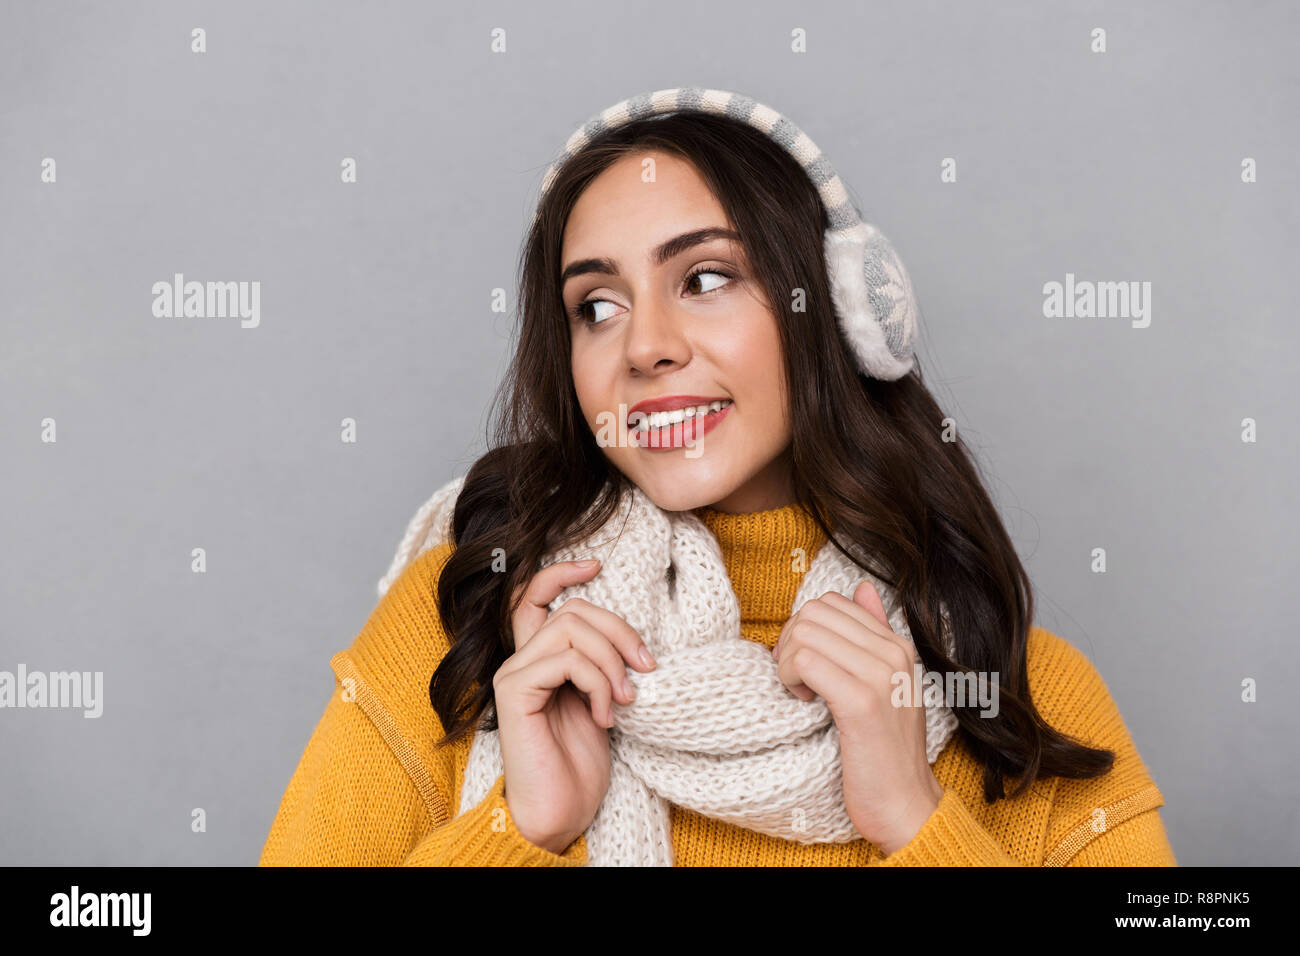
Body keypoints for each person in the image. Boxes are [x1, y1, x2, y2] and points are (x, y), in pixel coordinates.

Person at [258, 88, 1176, 866]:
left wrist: (917, 821)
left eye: (704, 278)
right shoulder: (460, 631)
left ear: (838, 311)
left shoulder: (1024, 694)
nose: (647, 346)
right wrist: (521, 830)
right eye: (598, 305)